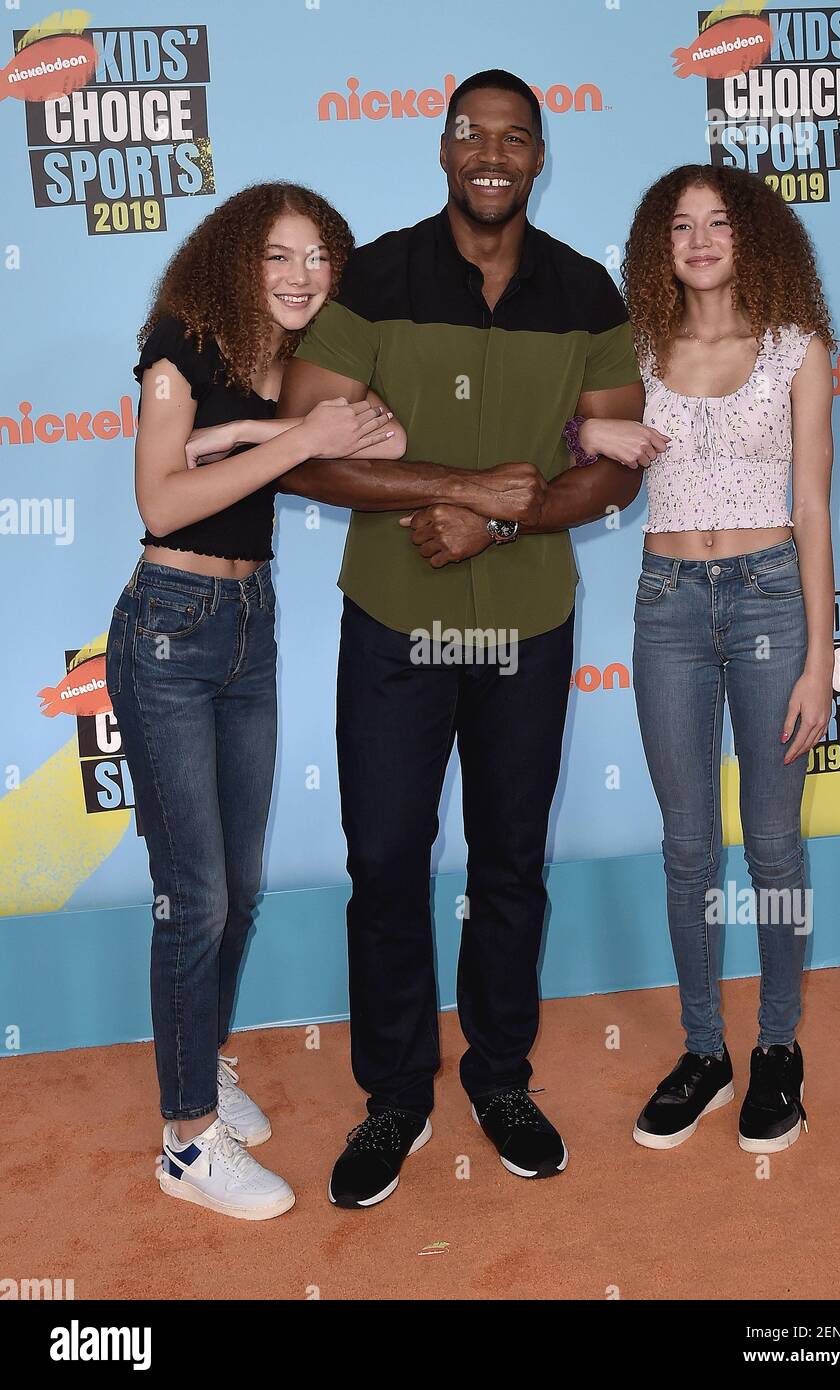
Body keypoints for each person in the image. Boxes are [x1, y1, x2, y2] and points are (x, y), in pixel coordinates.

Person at [274, 69, 667, 1209]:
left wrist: (503, 514)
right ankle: (394, 1093)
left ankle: (499, 1078)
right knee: (386, 864)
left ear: (539, 157)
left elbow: (610, 468)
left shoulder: (587, 290)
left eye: (513, 140)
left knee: (508, 866)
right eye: (472, 136)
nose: (491, 156)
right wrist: (453, 484)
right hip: (395, 627)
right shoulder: (381, 277)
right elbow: (302, 451)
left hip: (527, 631)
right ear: (443, 150)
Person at [105, 182, 403, 1221]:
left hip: (251, 627)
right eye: (279, 255)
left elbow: (383, 445)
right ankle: (185, 1140)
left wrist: (295, 430)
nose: (300, 275)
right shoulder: (180, 338)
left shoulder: (294, 364)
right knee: (196, 895)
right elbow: (158, 496)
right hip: (169, 624)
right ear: (238, 259)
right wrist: (292, 439)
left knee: (237, 880)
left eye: (319, 256)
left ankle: (202, 1055)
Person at [583, 164, 836, 1153]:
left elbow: (811, 505)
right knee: (687, 844)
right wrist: (582, 423)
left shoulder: (795, 350)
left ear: (751, 237)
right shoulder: (635, 349)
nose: (697, 239)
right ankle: (704, 1050)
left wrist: (819, 658)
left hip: (772, 596)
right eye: (679, 225)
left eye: (717, 223)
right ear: (659, 243)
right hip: (667, 606)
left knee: (772, 843)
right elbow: (579, 446)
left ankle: (776, 1049)